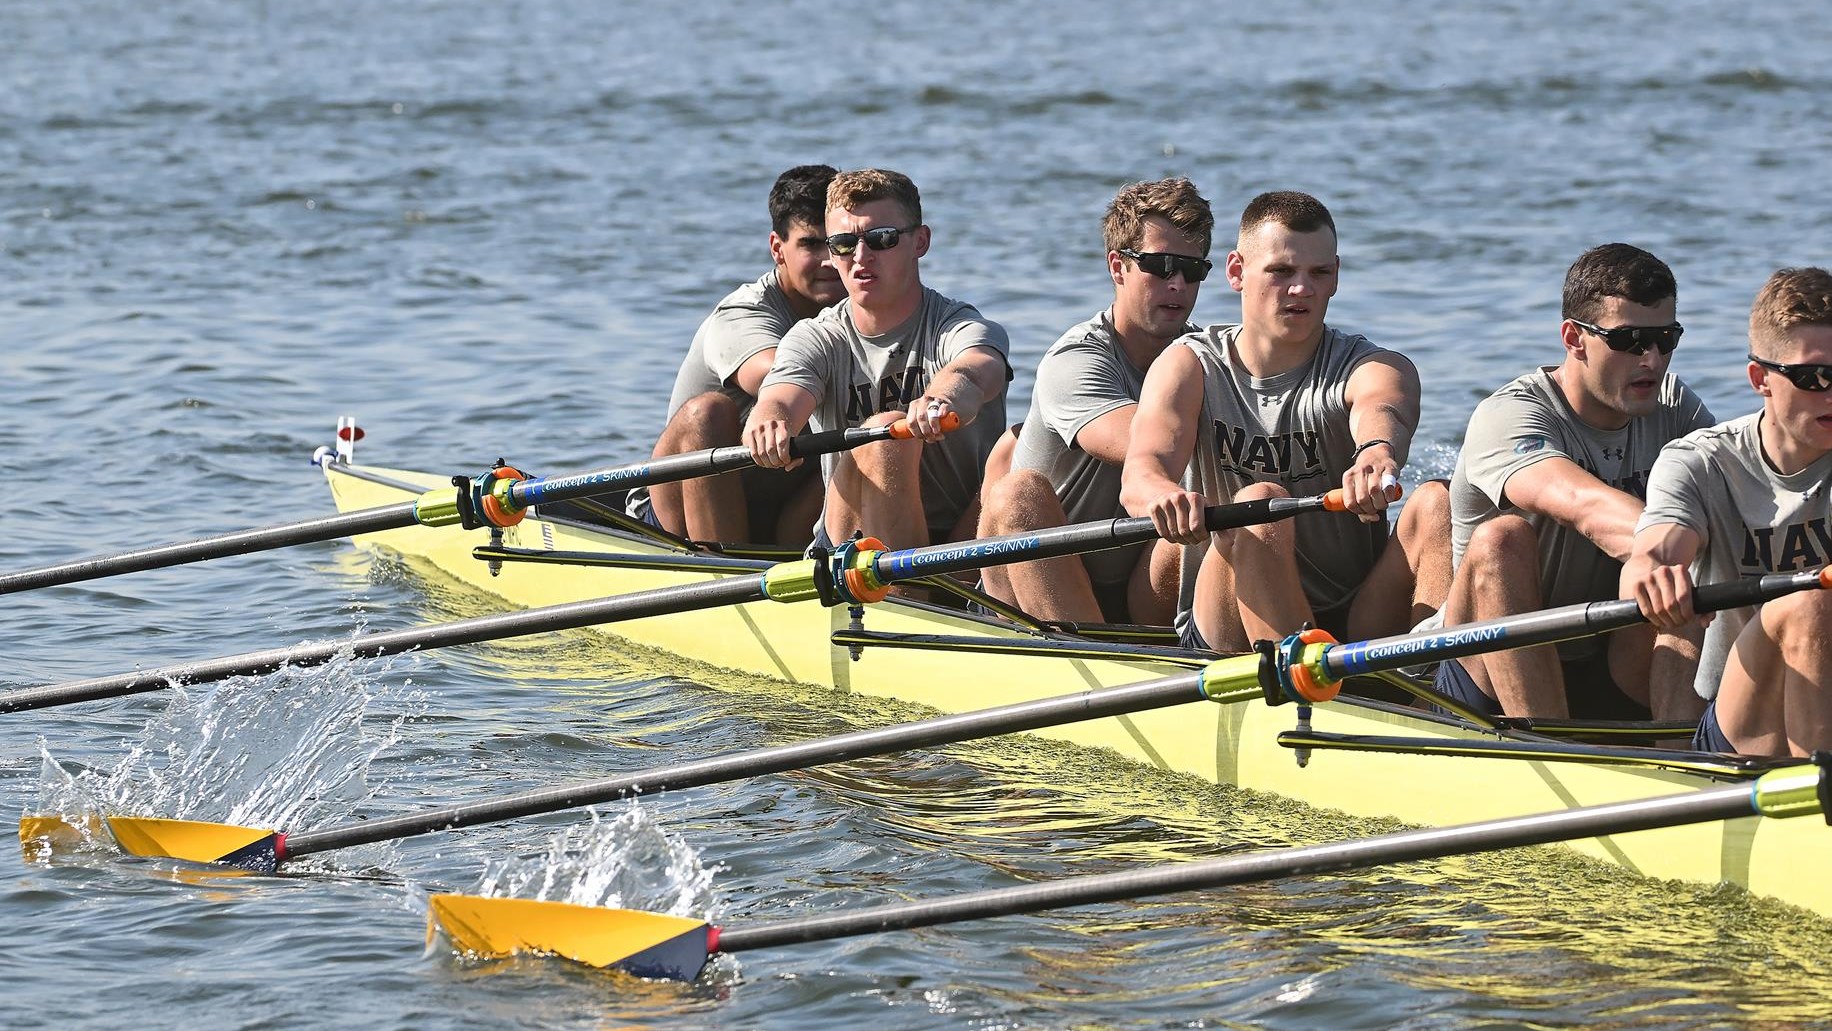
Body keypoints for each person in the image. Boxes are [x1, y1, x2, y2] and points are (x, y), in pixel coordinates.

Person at [1121, 191, 1448, 654]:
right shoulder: (1189, 365)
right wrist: (1165, 497)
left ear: (1336, 277)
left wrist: (1376, 452)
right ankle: (1305, 688)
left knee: (1438, 500)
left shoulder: (1373, 365)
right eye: (1281, 272)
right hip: (1226, 611)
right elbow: (1140, 474)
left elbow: (1383, 406)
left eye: (1319, 273)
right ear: (1237, 272)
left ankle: (1433, 689)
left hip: (1354, 613)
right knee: (1260, 501)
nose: (1302, 289)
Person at [1435, 244, 1712, 721]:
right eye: (1629, 340)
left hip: (1608, 656)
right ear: (1574, 337)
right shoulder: (1511, 416)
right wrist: (1670, 546)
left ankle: (1685, 760)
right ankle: (1543, 747)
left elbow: (1735, 506)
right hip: (1484, 671)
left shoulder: (1675, 409)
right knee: (1503, 537)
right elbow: (1583, 504)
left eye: (1665, 338)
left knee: (1683, 573)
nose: (1651, 359)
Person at [976, 177, 1212, 625]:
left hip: (1136, 587)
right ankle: (1089, 655)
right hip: (1033, 584)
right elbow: (1146, 443)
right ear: (1117, 266)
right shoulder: (1075, 362)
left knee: (1222, 501)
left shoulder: (1204, 359)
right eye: (1160, 266)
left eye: (1192, 269)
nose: (1178, 284)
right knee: (1015, 493)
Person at [743, 169, 1011, 552]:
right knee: (887, 431)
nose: (861, 257)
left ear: (920, 241)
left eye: (881, 239)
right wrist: (770, 423)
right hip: (852, 543)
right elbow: (782, 397)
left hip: (958, 541)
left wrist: (942, 400)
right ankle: (908, 599)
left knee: (1020, 445)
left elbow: (974, 371)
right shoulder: (815, 337)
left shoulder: (960, 326)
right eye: (843, 244)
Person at [1624, 266, 1832, 757]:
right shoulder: (1700, 463)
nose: (1831, 393)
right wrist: (1651, 577)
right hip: (1744, 719)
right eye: (1814, 377)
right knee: (1807, 605)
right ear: (1760, 378)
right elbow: (1656, 550)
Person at [631, 164, 842, 545]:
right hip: (673, 516)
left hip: (783, 506)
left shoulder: (857, 313)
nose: (829, 261)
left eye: (838, 244)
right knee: (708, 411)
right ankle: (720, 574)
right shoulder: (743, 315)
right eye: (811, 244)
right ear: (778, 249)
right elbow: (779, 377)